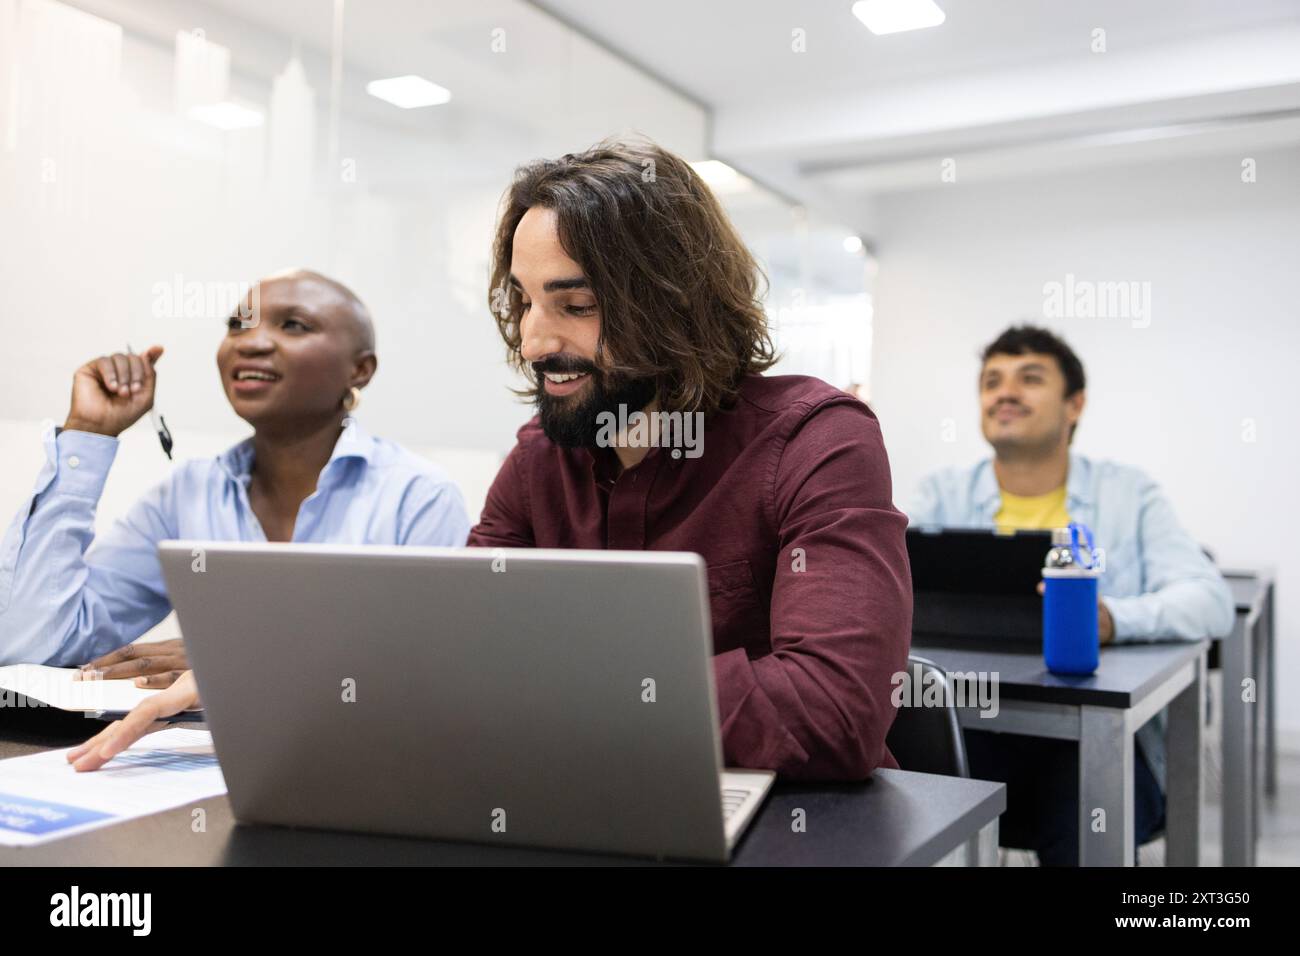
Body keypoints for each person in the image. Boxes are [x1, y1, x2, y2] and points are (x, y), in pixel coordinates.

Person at [71, 140, 914, 777]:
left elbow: (836, 711)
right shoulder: (539, 461)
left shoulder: (816, 438)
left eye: (576, 304)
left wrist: (515, 690)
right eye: (524, 302)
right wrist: (274, 680)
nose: (538, 340)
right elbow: (453, 655)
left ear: (678, 304)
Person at [1, 268, 469, 684]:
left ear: (360, 370)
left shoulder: (417, 497)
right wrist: (88, 435)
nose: (250, 341)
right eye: (236, 325)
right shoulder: (186, 495)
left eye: (293, 325)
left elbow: (429, 676)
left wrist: (241, 663)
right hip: (192, 769)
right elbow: (32, 642)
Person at [908, 323, 1233, 864]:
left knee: (1081, 795)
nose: (1004, 393)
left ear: (1074, 405)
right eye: (991, 382)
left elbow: (1209, 599)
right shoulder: (939, 495)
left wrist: (1110, 620)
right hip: (973, 731)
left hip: (1097, 747)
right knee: (895, 777)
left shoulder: (1128, 492)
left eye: (1029, 378)